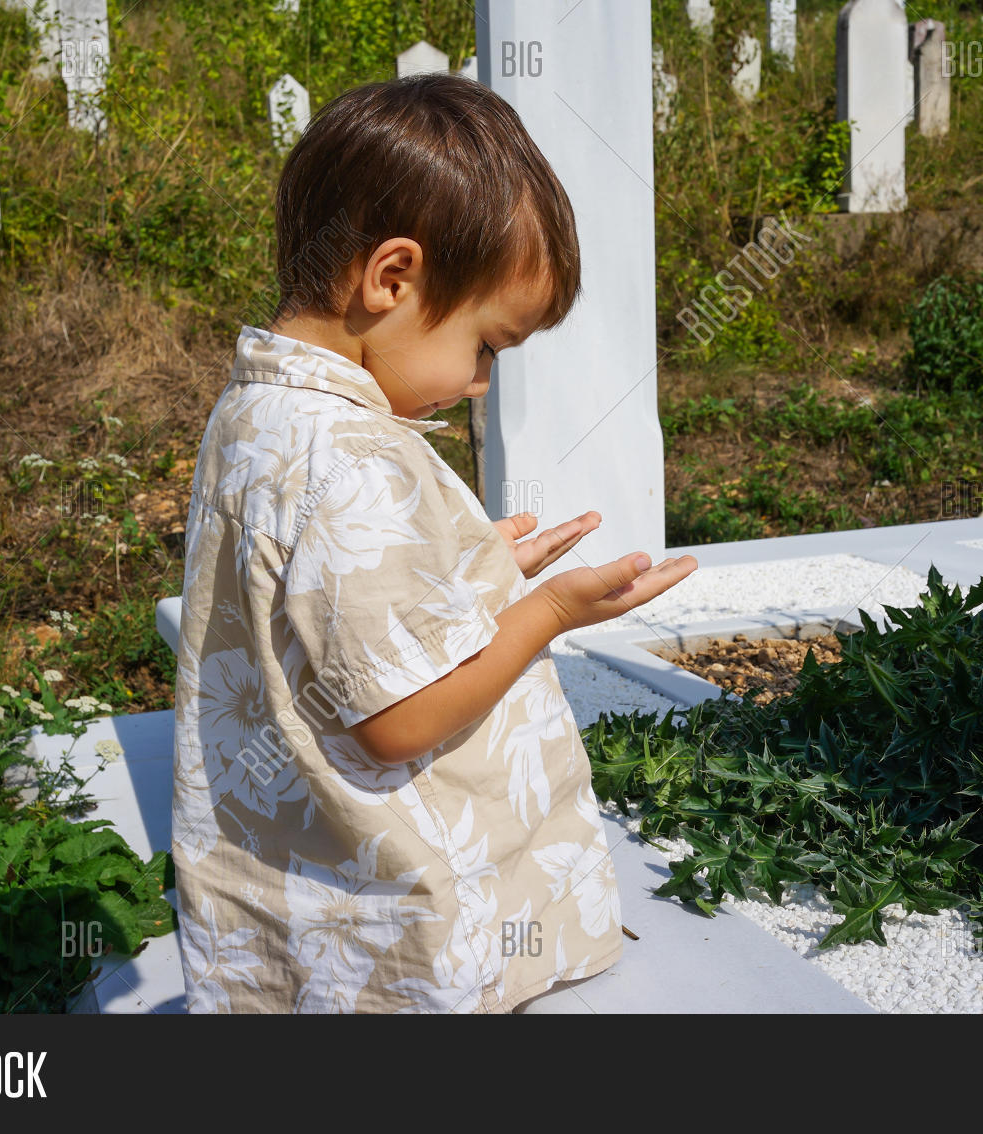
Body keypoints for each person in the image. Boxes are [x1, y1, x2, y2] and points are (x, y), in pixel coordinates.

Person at [170, 72, 697, 1013]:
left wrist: (476, 562)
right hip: (398, 935)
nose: (484, 382)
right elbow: (396, 720)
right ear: (392, 278)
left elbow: (316, 601)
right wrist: (547, 614)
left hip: (297, 899)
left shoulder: (257, 410)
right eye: (489, 345)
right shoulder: (355, 457)